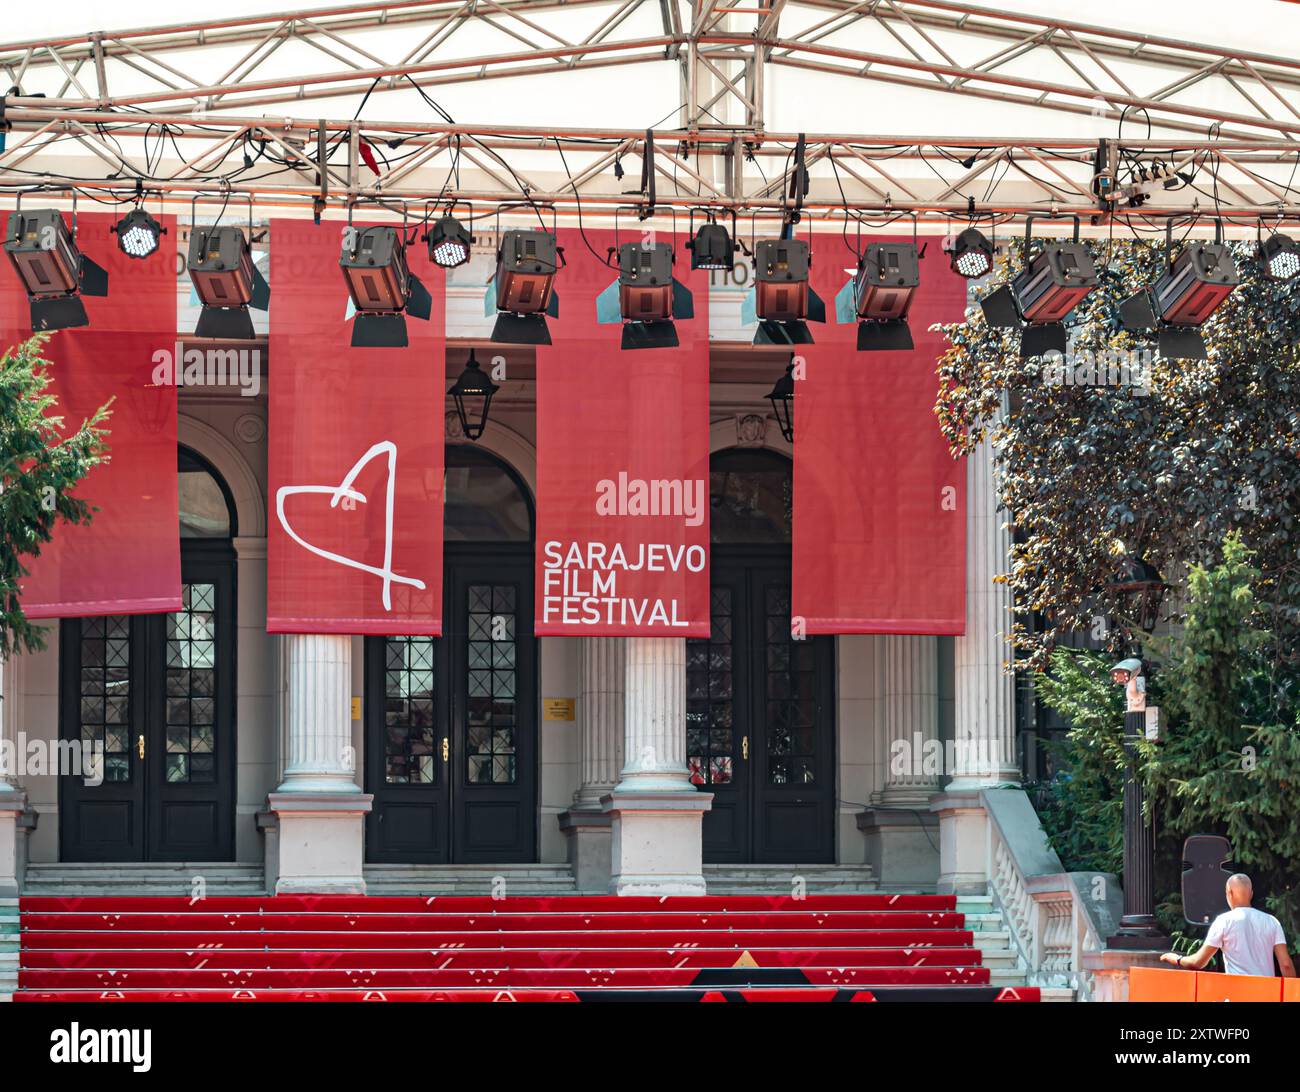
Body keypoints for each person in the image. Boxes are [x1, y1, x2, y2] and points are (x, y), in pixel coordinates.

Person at [1160, 873, 1296, 978]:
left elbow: (1198, 962)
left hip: (1237, 994)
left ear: (1229, 893)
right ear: (1251, 894)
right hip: (1268, 996)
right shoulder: (1272, 921)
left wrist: (1175, 958)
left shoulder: (1223, 921)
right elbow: (1286, 965)